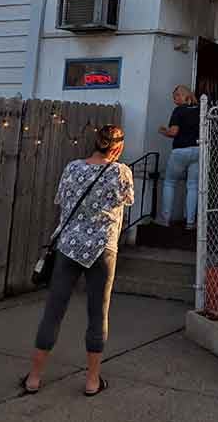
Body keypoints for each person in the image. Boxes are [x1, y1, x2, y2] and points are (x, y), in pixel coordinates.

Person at [22, 125, 134, 397]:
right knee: (98, 314)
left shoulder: (72, 168)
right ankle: (92, 381)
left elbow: (62, 201)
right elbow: (126, 200)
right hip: (102, 250)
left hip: (69, 246)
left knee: (53, 311)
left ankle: (34, 378)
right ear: (118, 147)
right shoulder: (121, 172)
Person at [159, 85, 200, 229]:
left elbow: (173, 132)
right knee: (193, 186)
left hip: (181, 151)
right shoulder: (200, 110)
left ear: (185, 96)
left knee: (169, 182)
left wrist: (163, 131)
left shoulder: (179, 111)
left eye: (177, 95)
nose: (174, 98)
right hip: (198, 149)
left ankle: (165, 219)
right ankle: (190, 221)